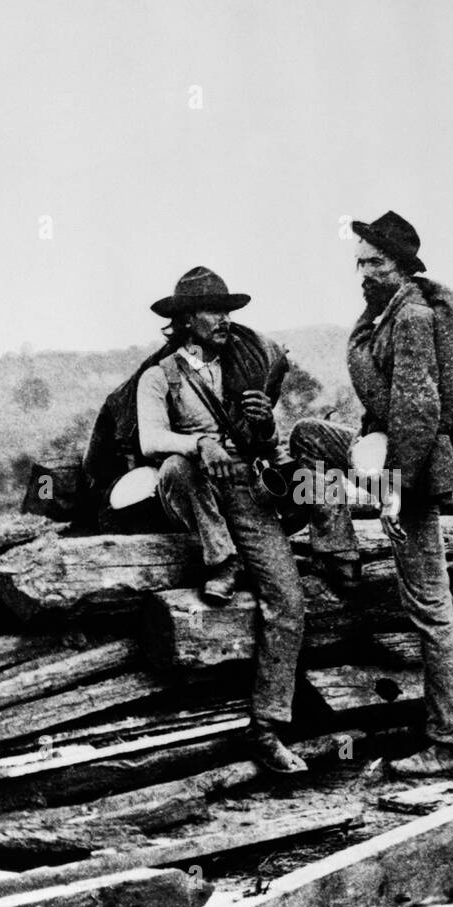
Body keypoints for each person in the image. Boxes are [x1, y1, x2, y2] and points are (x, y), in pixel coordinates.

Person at [84, 266, 308, 774]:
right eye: (212, 310)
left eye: (228, 310)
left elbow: (262, 446)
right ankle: (220, 559)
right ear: (184, 321)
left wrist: (262, 424)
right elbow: (150, 440)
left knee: (288, 600)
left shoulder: (242, 369)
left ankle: (267, 727)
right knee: (175, 466)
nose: (224, 319)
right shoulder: (158, 376)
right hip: (192, 485)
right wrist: (198, 443)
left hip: (245, 488)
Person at [290, 211, 453, 776]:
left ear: (402, 265)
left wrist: (391, 488)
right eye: (359, 263)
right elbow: (388, 405)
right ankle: (339, 547)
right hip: (386, 451)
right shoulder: (383, 313)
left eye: (375, 262)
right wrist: (371, 439)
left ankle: (452, 739)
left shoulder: (414, 316)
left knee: (429, 605)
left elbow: (420, 412)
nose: (364, 272)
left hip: (413, 471)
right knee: (308, 436)